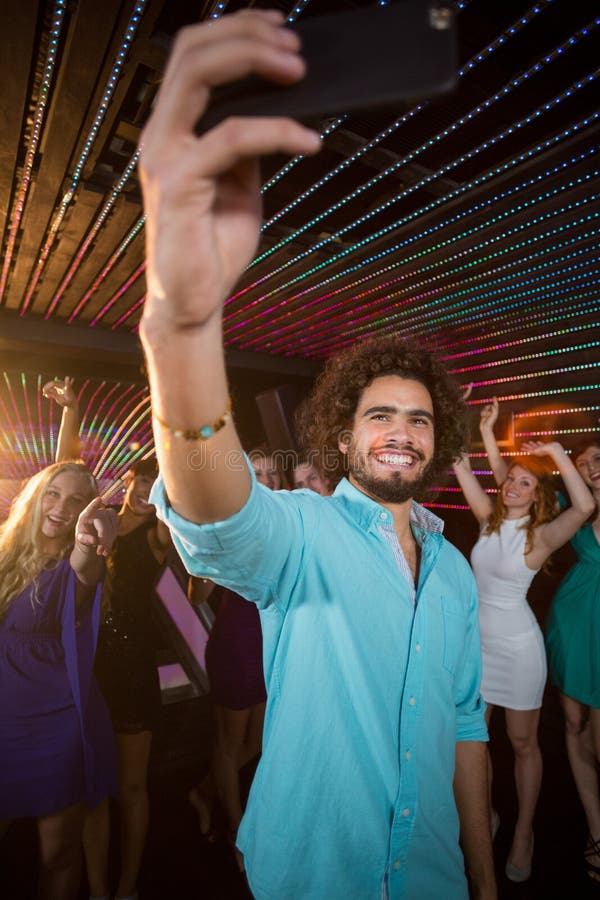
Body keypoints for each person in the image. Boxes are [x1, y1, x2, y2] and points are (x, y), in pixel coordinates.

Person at [137, 10, 496, 898]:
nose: (401, 431)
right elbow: (217, 516)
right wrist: (180, 326)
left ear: (438, 441)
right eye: (379, 416)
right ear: (343, 437)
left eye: (417, 419)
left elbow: (464, 735)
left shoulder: (454, 578)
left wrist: (484, 883)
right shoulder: (302, 537)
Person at [453, 401, 594, 884]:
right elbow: (464, 464)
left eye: (524, 482)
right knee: (472, 741)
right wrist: (485, 430)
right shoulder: (489, 517)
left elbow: (585, 506)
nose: (512, 484)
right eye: (510, 478)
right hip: (478, 649)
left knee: (522, 744)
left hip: (518, 651)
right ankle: (483, 814)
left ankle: (524, 833)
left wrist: (554, 451)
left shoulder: (543, 537)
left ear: (537, 496)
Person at [43, 380, 171, 900]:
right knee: (93, 794)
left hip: (135, 674)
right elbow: (64, 476)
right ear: (128, 480)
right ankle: (98, 890)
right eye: (140, 480)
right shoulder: (94, 519)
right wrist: (73, 411)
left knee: (132, 790)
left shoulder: (162, 533)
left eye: (155, 484)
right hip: (87, 672)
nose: (145, 491)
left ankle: (127, 887)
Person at [0, 461, 118, 900]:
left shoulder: (74, 566)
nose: (62, 507)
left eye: (76, 501)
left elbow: (88, 564)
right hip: (3, 719)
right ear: (35, 497)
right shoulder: (4, 551)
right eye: (53, 494)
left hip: (57, 722)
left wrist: (88, 538)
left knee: (58, 854)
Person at [190, 449, 281, 869]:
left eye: (271, 473)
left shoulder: (286, 525)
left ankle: (204, 791)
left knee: (257, 744)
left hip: (272, 648)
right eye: (256, 472)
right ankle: (236, 831)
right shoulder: (225, 529)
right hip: (236, 645)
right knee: (230, 745)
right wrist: (210, 556)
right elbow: (198, 597)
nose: (266, 479)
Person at [544, 437, 600, 881]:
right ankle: (596, 832)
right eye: (583, 464)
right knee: (573, 724)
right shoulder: (573, 504)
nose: (592, 467)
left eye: (598, 458)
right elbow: (511, 489)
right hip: (572, 624)